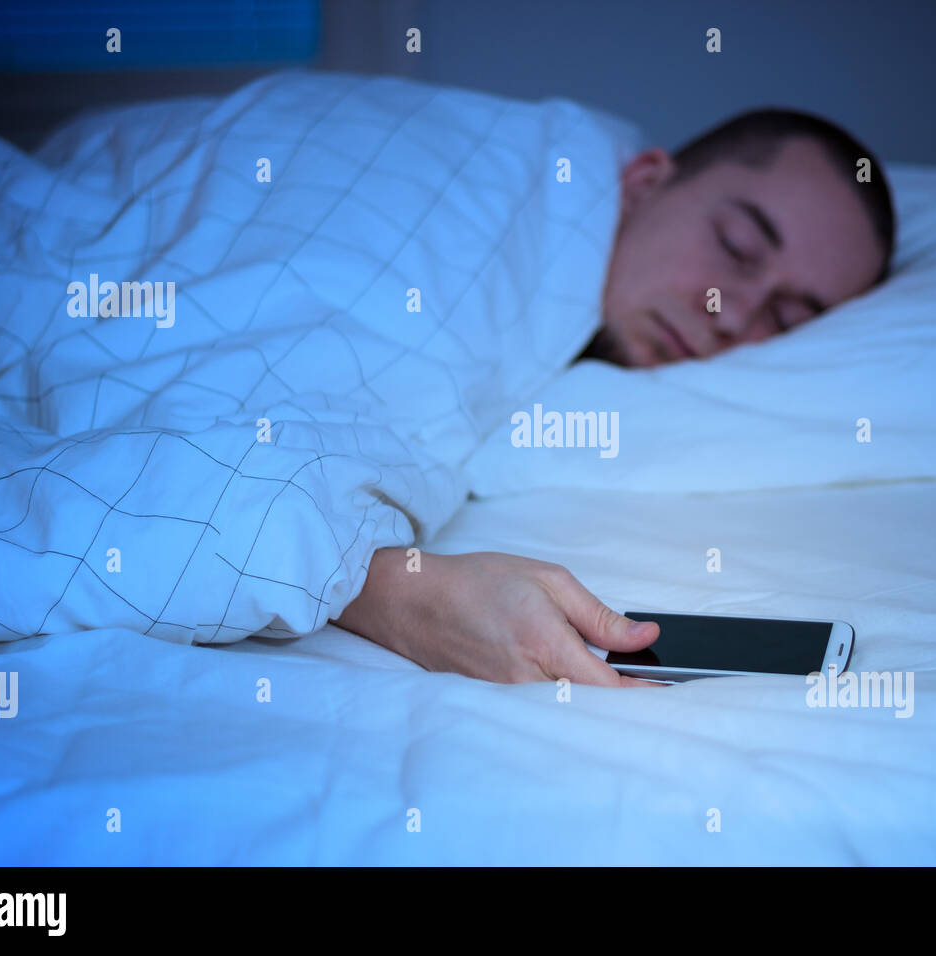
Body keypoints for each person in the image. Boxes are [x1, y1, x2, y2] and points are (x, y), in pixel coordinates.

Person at [335, 108, 896, 688]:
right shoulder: (470, 230)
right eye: (736, 246)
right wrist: (403, 597)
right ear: (646, 182)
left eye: (785, 319)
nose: (729, 313)